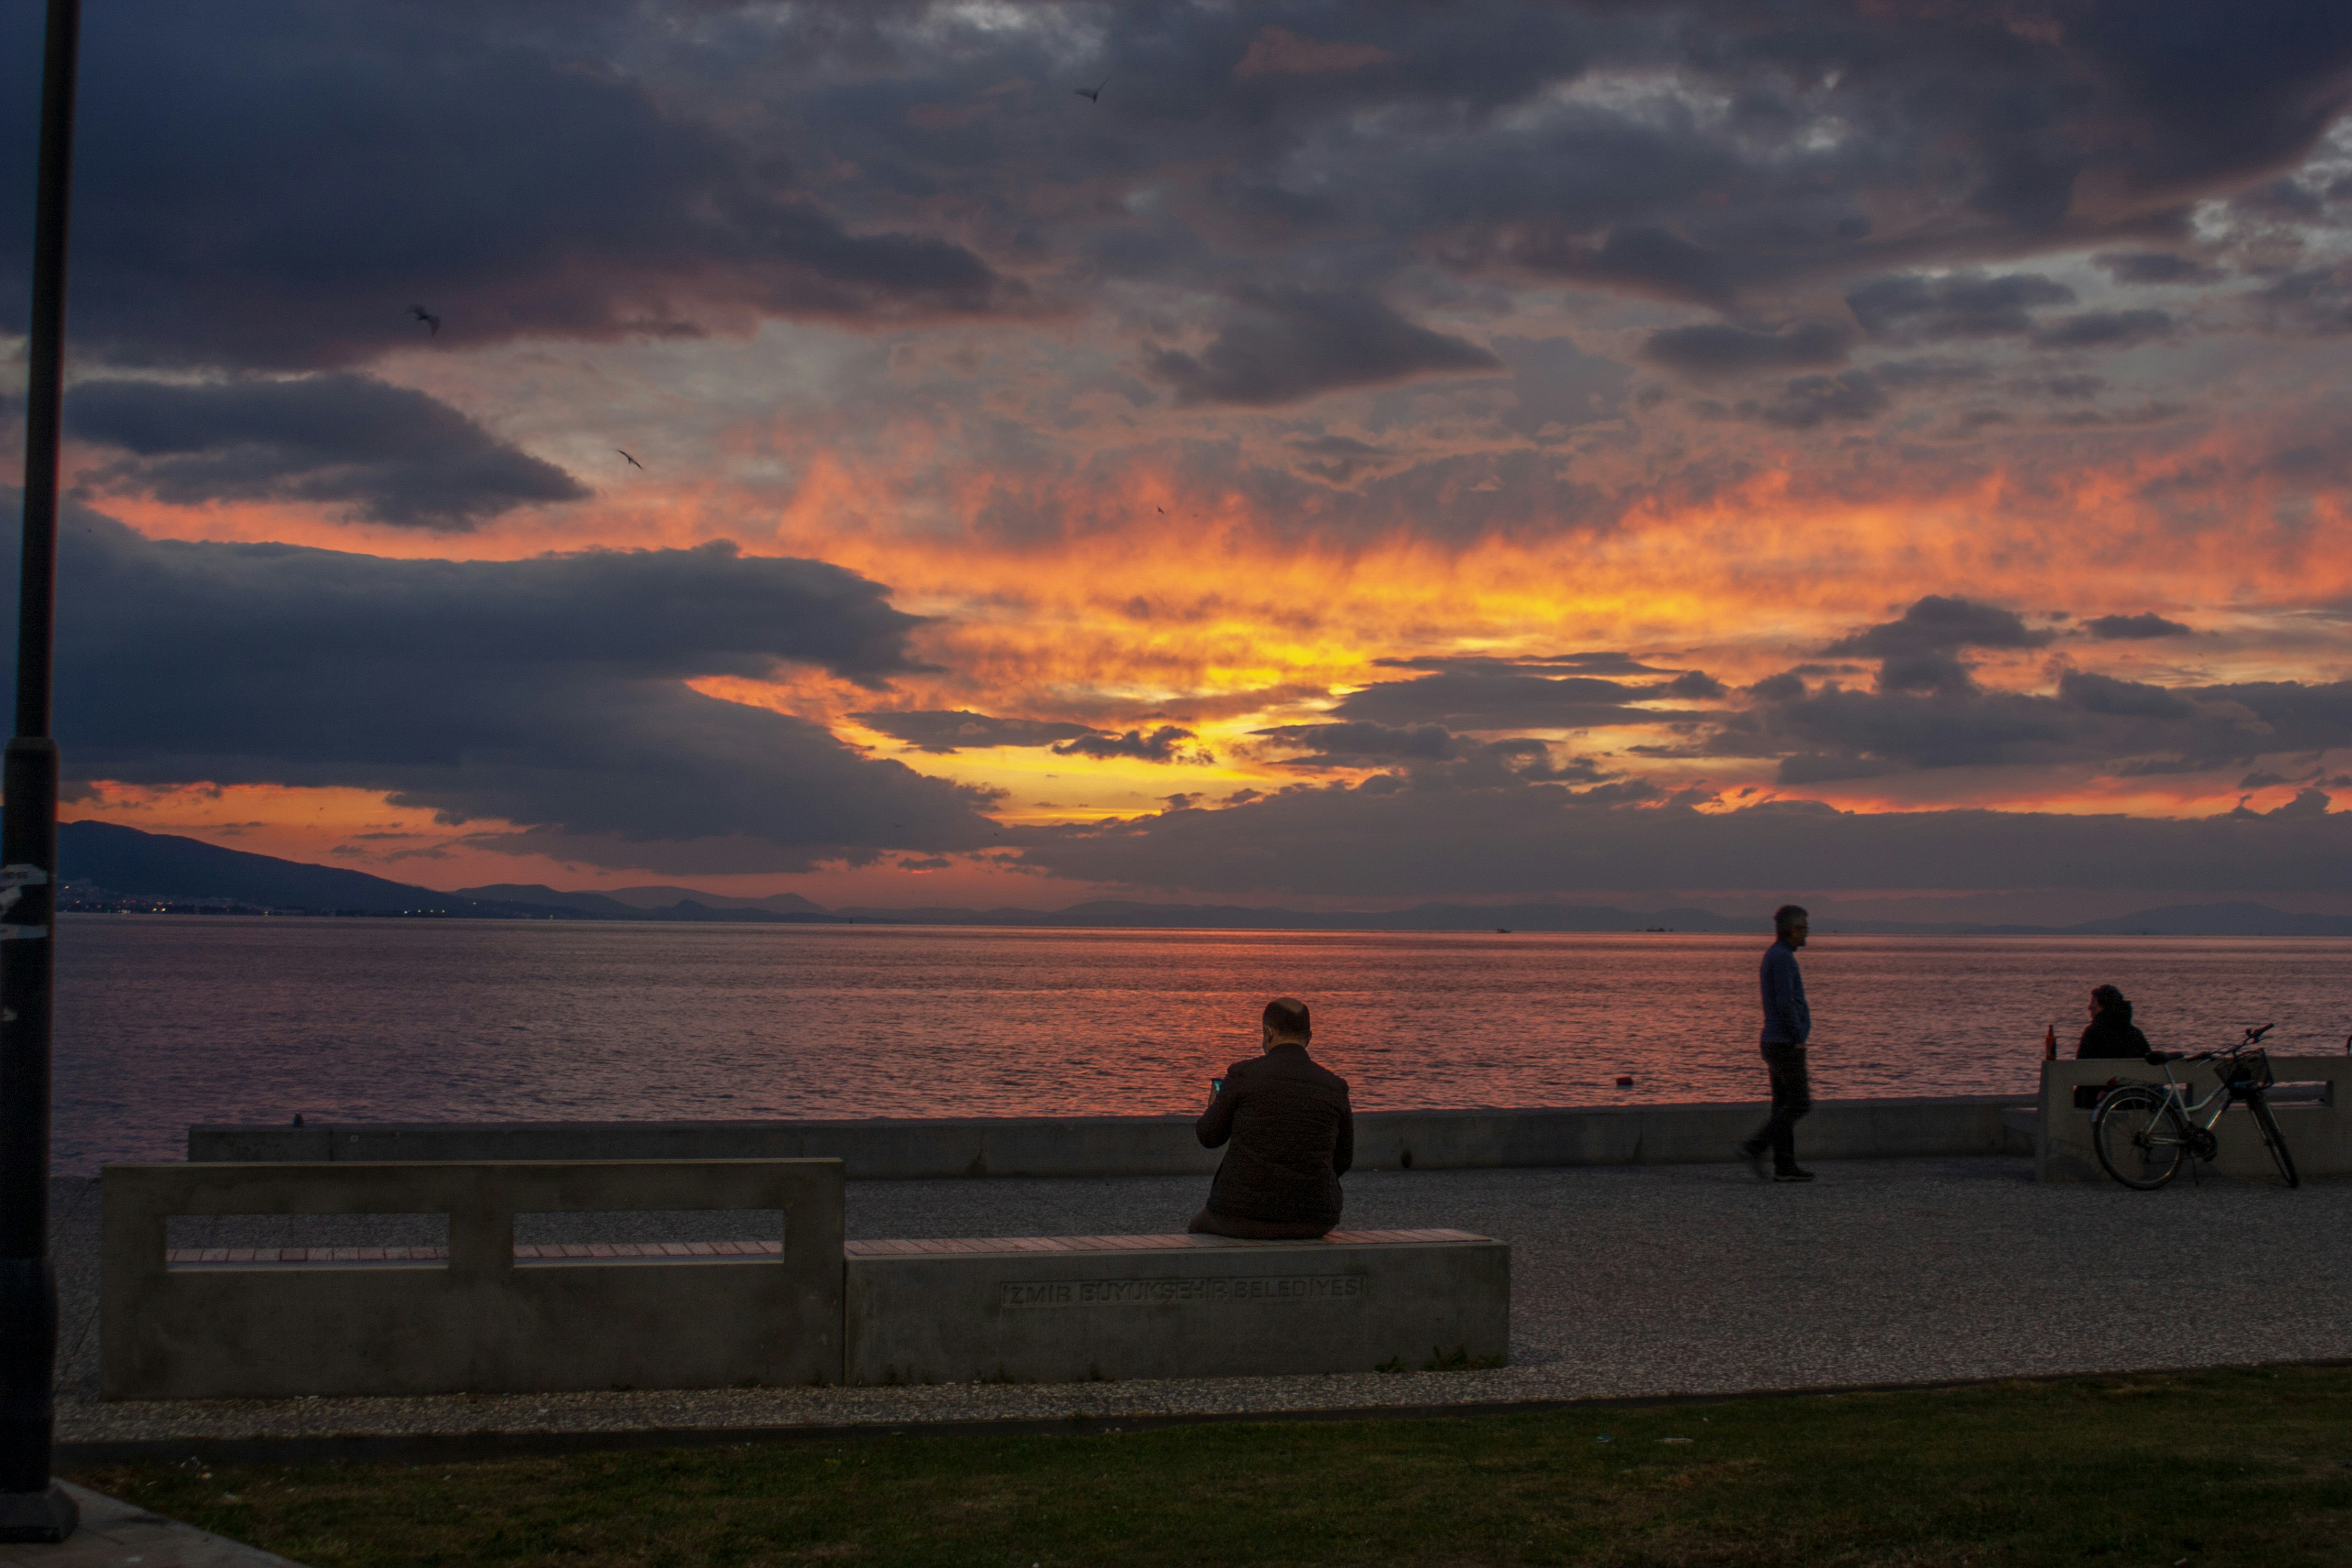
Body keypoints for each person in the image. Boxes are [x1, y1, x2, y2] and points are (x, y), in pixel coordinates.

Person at [1189, 997, 1354, 1239]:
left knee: (1197, 1227)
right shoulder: (1335, 1087)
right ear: (1309, 1037)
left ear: (1268, 1033)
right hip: (1314, 1219)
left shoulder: (1243, 1075)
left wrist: (1213, 1107)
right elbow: (1342, 1160)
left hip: (1241, 1214)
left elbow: (1209, 1137)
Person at [1739, 905, 1815, 1183]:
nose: (1808, 932)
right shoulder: (1782, 959)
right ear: (1792, 930)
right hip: (1784, 1042)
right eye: (1805, 927)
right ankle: (1755, 1147)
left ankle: (1784, 1166)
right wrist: (1797, 1036)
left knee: (1783, 1103)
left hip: (1775, 1040)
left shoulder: (1777, 956)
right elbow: (1785, 1002)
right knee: (1799, 1103)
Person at [2076, 984, 2151, 1059]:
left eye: (2093, 1002)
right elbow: (2150, 1065)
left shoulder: (2092, 1034)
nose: (2090, 1007)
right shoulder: (2136, 1035)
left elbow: (2081, 1068)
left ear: (2103, 1007)